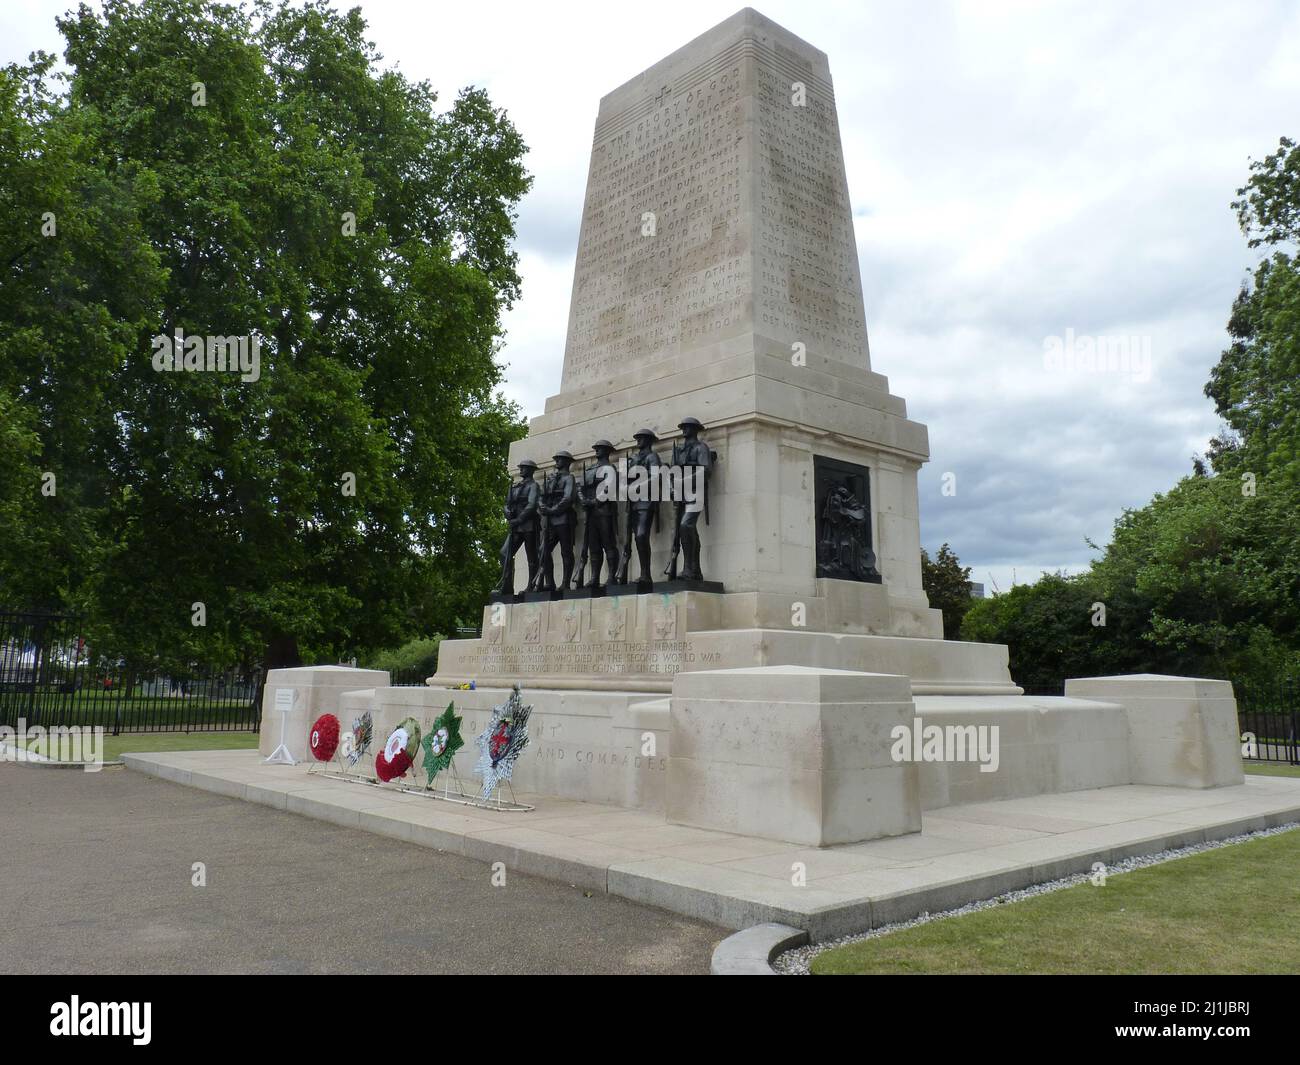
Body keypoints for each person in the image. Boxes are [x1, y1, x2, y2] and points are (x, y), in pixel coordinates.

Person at [664, 417, 713, 581]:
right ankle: (694, 570)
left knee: (686, 526)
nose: (684, 429)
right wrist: (672, 488)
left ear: (695, 429)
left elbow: (705, 471)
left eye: (688, 427)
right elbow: (671, 473)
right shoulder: (678, 451)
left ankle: (688, 568)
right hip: (680, 495)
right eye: (683, 427)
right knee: (686, 530)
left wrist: (682, 482)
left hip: (695, 492)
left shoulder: (701, 448)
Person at [614, 429, 662, 586]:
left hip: (646, 501)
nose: (639, 440)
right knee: (632, 540)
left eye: (642, 438)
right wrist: (625, 489)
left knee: (641, 536)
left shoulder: (652, 457)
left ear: (649, 440)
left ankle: (646, 574)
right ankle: (640, 575)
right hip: (633, 503)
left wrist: (634, 488)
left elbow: (655, 477)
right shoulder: (632, 459)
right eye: (638, 438)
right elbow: (622, 481)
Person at [495, 459, 541, 595]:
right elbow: (506, 504)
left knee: (532, 557)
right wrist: (507, 513)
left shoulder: (533, 486)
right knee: (504, 554)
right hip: (515, 525)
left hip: (528, 525)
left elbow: (532, 505)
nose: (520, 470)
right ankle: (507, 585)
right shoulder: (515, 486)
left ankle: (531, 586)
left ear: (530, 470)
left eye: (523, 468)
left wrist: (519, 519)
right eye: (520, 467)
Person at [534, 450, 578, 592]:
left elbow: (568, 498)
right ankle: (550, 582)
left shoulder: (569, 478)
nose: (557, 461)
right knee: (543, 550)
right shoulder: (551, 479)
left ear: (567, 462)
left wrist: (552, 510)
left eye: (560, 459)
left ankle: (565, 583)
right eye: (556, 459)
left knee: (566, 551)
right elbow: (541, 496)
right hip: (550, 521)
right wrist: (542, 506)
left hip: (564, 519)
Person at [579, 440, 621, 588]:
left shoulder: (610, 468)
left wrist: (595, 501)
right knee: (593, 546)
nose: (596, 450)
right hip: (590, 512)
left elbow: (609, 488)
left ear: (607, 451)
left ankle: (611, 577)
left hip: (604, 510)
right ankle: (595, 577)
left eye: (600, 448)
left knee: (608, 543)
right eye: (596, 448)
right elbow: (580, 487)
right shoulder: (589, 469)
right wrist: (583, 500)